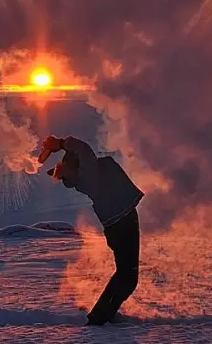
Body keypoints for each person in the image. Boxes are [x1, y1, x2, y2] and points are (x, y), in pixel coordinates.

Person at [38, 135, 144, 326]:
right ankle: (99, 318)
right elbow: (84, 149)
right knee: (127, 277)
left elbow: (80, 152)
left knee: (126, 274)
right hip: (122, 222)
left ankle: (103, 315)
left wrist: (61, 148)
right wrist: (61, 144)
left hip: (118, 224)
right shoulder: (89, 174)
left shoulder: (84, 176)